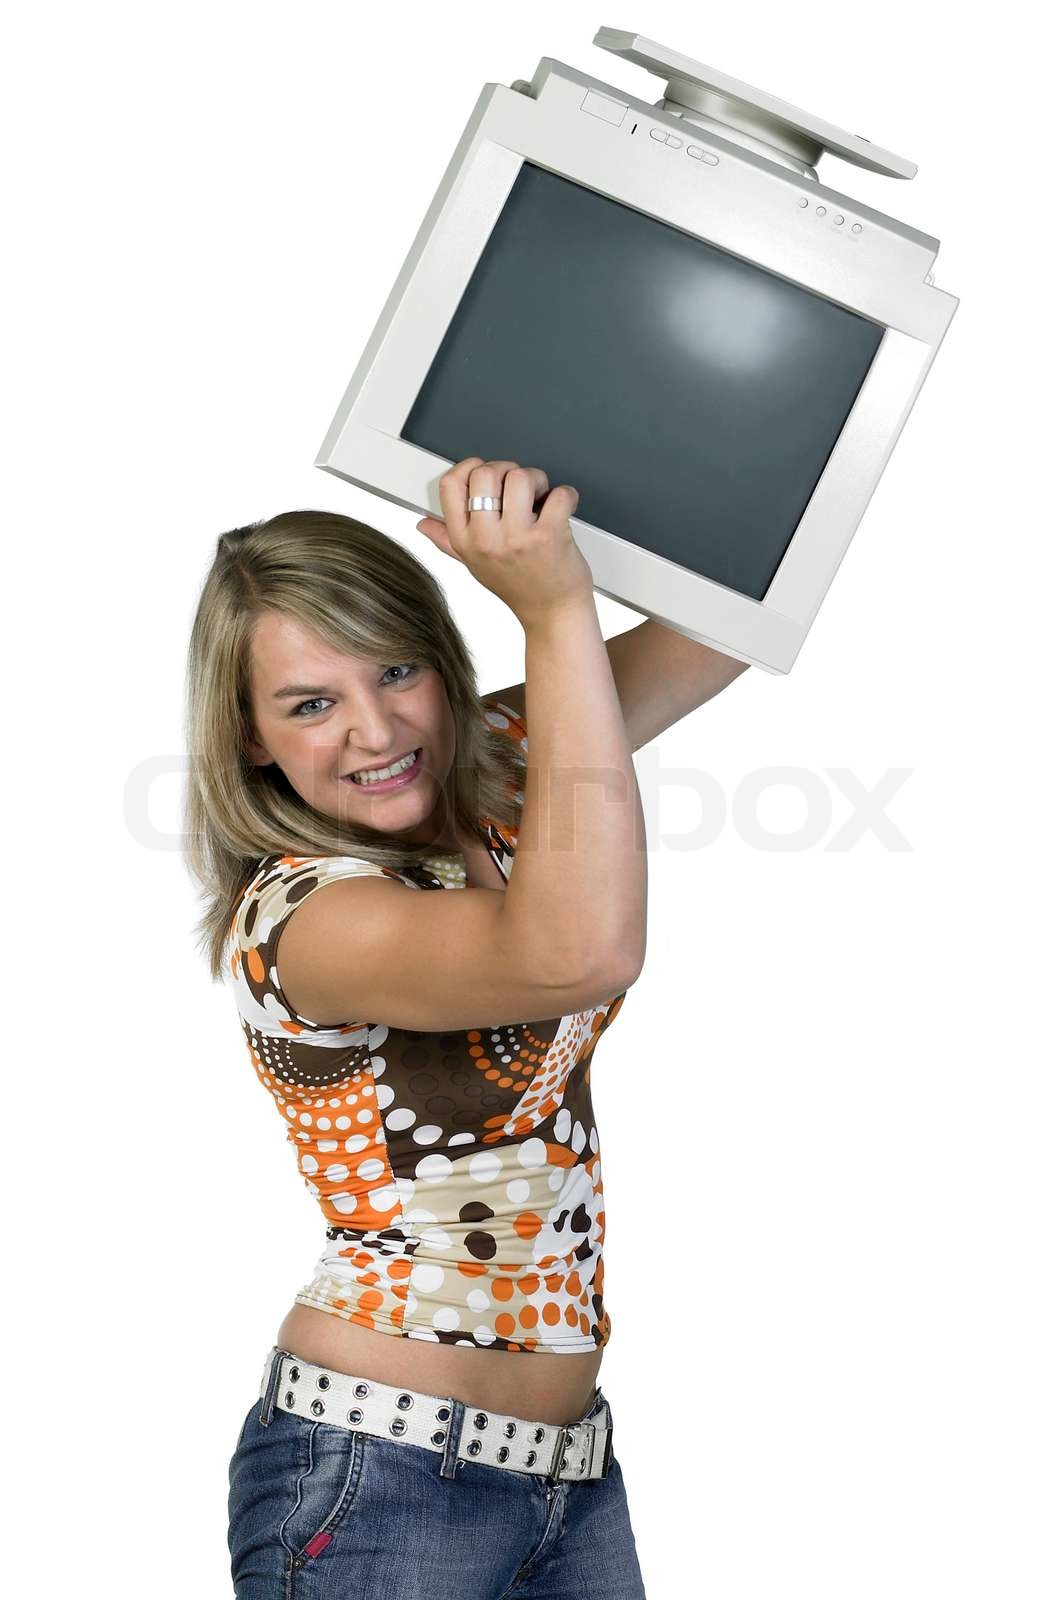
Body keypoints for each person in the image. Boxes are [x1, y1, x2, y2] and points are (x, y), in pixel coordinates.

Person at [184, 456, 743, 1596]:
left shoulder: (496, 771)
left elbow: (733, 618)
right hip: (373, 1475)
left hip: (571, 1475)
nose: (376, 728)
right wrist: (556, 606)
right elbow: (575, 951)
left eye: (398, 670)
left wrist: (610, 449)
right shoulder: (305, 916)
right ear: (251, 739)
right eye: (309, 703)